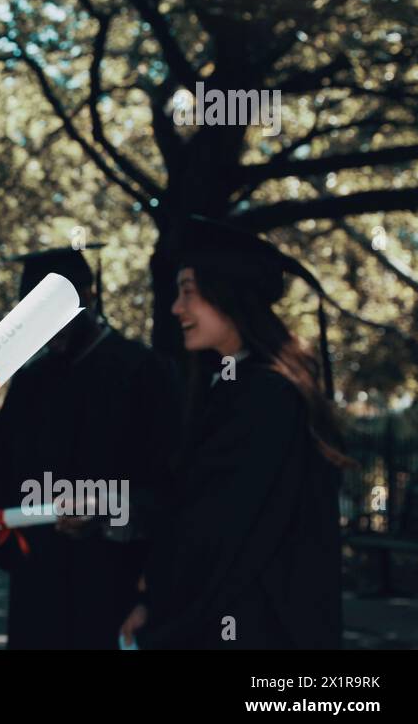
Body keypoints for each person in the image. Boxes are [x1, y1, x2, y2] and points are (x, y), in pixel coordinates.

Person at [123, 217, 348, 649]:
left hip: (256, 625)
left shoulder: (266, 396)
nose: (176, 308)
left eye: (188, 291)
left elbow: (216, 528)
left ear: (226, 292)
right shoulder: (233, 384)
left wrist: (160, 604)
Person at [0, 246, 176, 649]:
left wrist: (106, 512)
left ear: (88, 298)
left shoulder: (143, 372)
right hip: (37, 585)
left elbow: (167, 489)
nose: (44, 328)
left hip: (112, 585)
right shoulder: (31, 382)